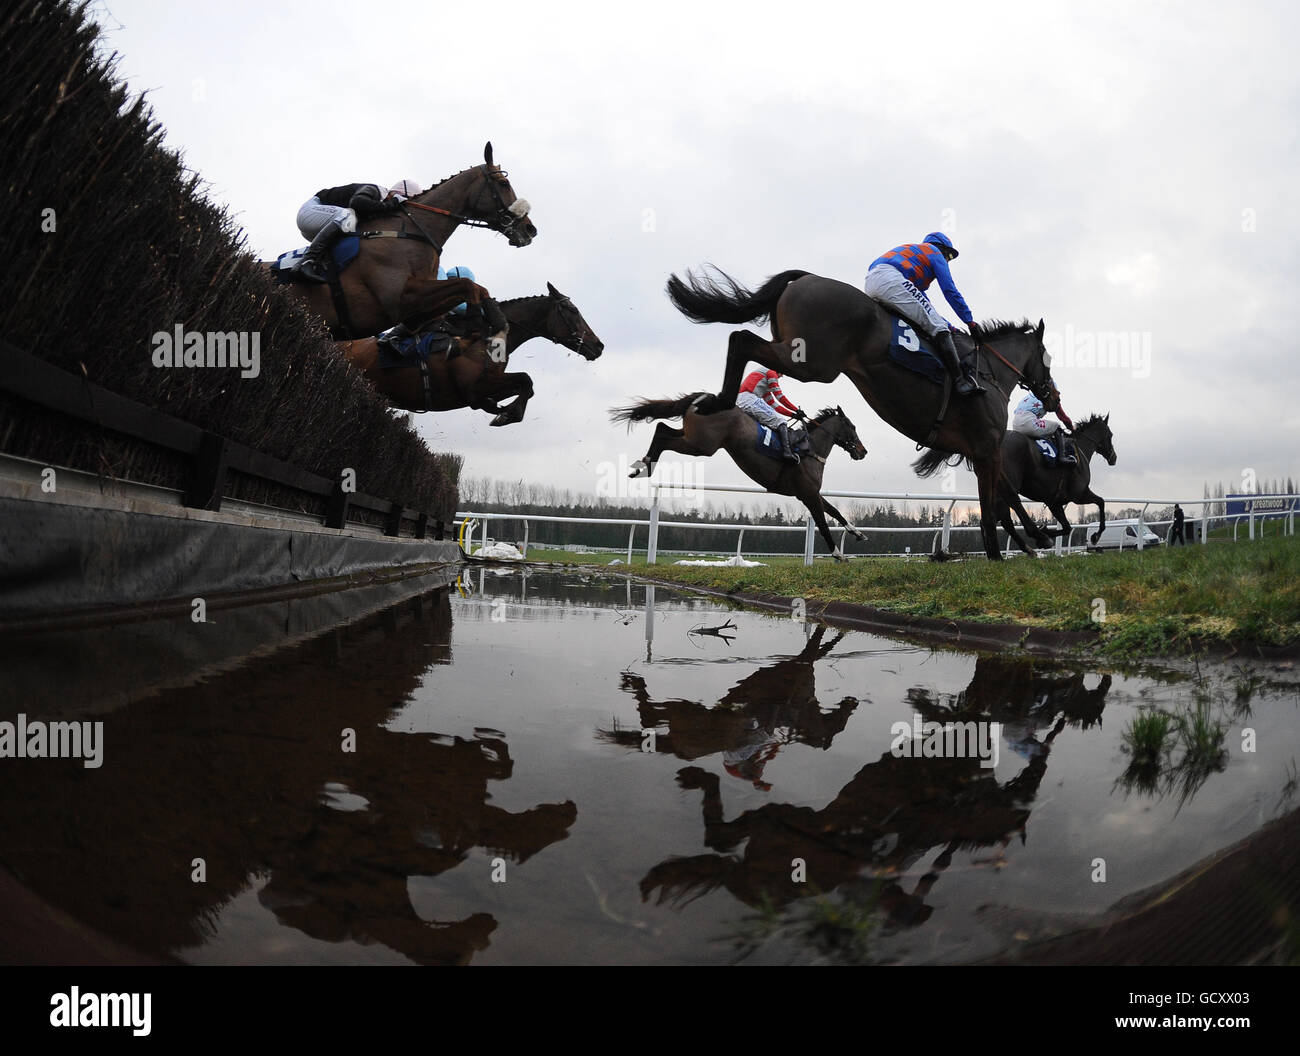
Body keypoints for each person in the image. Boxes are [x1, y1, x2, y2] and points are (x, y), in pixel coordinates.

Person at [863, 232, 984, 396]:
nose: (947, 260)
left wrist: (949, 325)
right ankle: (960, 382)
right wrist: (969, 322)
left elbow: (923, 304)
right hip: (890, 280)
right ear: (941, 248)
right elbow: (950, 291)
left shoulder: (916, 256)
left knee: (932, 322)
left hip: (872, 281)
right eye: (948, 255)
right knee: (938, 328)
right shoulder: (935, 253)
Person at [293, 178, 423, 283]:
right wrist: (393, 203)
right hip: (311, 211)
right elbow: (357, 203)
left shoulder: (380, 202)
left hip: (323, 225)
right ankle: (305, 262)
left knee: (352, 233)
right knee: (348, 215)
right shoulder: (376, 190)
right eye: (403, 199)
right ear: (397, 193)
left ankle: (320, 265)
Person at [736, 368, 804, 463]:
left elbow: (774, 405)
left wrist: (792, 414)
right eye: (783, 373)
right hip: (749, 399)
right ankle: (787, 452)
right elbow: (780, 396)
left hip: (742, 400)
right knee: (781, 421)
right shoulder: (771, 373)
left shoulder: (764, 385)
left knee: (774, 420)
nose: (782, 376)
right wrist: (796, 409)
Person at [1011, 392, 1076, 464]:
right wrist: (1072, 428)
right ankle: (1062, 457)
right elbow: (1063, 417)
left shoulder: (1029, 396)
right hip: (1028, 422)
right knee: (1056, 425)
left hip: (1015, 424)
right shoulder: (1051, 398)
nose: (1059, 393)